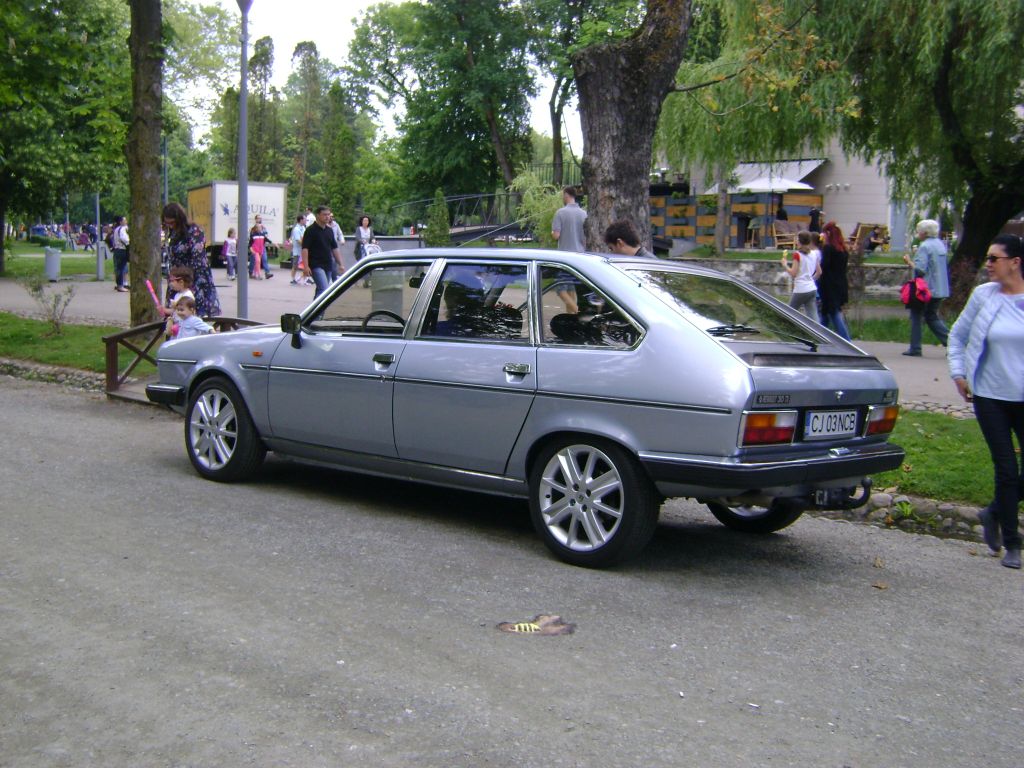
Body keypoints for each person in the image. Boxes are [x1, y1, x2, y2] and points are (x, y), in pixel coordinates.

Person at [947, 234, 1024, 569]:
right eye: (988, 258)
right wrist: (959, 373)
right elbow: (958, 335)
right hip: (990, 395)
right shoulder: (984, 296)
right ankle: (1013, 543)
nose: (988, 264)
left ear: (1015, 262)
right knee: (1006, 470)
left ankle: (993, 511)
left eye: (994, 258)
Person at [162, 202, 221, 317]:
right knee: (175, 315)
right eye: (167, 223)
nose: (170, 226)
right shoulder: (173, 233)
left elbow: (197, 260)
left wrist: (185, 283)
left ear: (180, 219)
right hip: (178, 279)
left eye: (172, 222)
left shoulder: (194, 231)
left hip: (193, 279)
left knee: (192, 315)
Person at [902, 219, 949, 356]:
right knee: (931, 316)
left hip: (925, 289)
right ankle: (951, 343)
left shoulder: (924, 246)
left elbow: (920, 270)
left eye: (919, 231)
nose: (918, 233)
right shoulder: (940, 245)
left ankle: (915, 348)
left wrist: (909, 261)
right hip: (940, 288)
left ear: (924, 232)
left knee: (916, 316)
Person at [817, 221, 852, 339]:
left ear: (828, 233)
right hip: (841, 284)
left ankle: (847, 341)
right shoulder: (843, 250)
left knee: (833, 313)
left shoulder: (828, 249)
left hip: (829, 286)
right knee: (825, 314)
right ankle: (820, 338)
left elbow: (823, 266)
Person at [300, 205, 344, 298]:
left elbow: (335, 248)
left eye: (328, 215)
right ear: (318, 215)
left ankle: (314, 312)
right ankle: (318, 312)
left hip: (328, 264)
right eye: (324, 215)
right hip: (315, 264)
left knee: (321, 290)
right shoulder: (310, 231)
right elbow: (305, 249)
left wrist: (341, 264)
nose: (327, 217)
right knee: (324, 289)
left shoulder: (329, 230)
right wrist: (306, 266)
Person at [780, 230, 821, 323]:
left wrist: (785, 264)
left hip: (800, 289)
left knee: (788, 314)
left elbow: (793, 273)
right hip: (812, 289)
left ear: (799, 241)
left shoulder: (797, 255)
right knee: (814, 318)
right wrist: (810, 280)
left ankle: (786, 331)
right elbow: (819, 272)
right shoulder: (814, 254)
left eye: (797, 240)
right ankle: (820, 335)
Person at [551, 186, 587, 252]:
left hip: (565, 254)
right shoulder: (584, 214)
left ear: (566, 195)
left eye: (563, 195)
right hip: (581, 253)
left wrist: (552, 232)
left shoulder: (560, 213)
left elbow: (556, 235)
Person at [247, 215, 274, 279]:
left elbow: (266, 236)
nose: (260, 219)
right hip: (255, 247)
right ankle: (251, 272)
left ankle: (267, 273)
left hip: (262, 246)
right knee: (253, 260)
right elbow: (250, 238)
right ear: (255, 219)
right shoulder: (253, 228)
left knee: (264, 259)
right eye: (258, 218)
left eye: (260, 218)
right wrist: (251, 247)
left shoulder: (263, 227)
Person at [111, 216, 130, 292]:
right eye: (124, 220)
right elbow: (125, 239)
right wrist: (129, 242)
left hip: (117, 250)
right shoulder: (122, 229)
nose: (126, 221)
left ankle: (121, 284)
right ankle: (120, 285)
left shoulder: (116, 229)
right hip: (121, 250)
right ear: (120, 222)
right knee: (121, 268)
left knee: (120, 268)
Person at [289, 214, 307, 285]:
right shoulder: (296, 229)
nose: (306, 221)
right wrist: (306, 244)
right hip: (297, 251)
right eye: (305, 219)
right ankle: (293, 279)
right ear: (301, 220)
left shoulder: (303, 228)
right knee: (295, 266)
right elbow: (298, 240)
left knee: (305, 265)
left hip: (303, 251)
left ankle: (304, 278)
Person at [329, 213, 347, 279]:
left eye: (332, 216)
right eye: (330, 216)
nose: (331, 218)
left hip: (334, 246)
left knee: (335, 261)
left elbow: (340, 234)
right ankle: (333, 278)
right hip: (327, 246)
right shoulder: (325, 224)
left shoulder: (335, 225)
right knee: (332, 262)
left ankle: (333, 277)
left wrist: (342, 240)